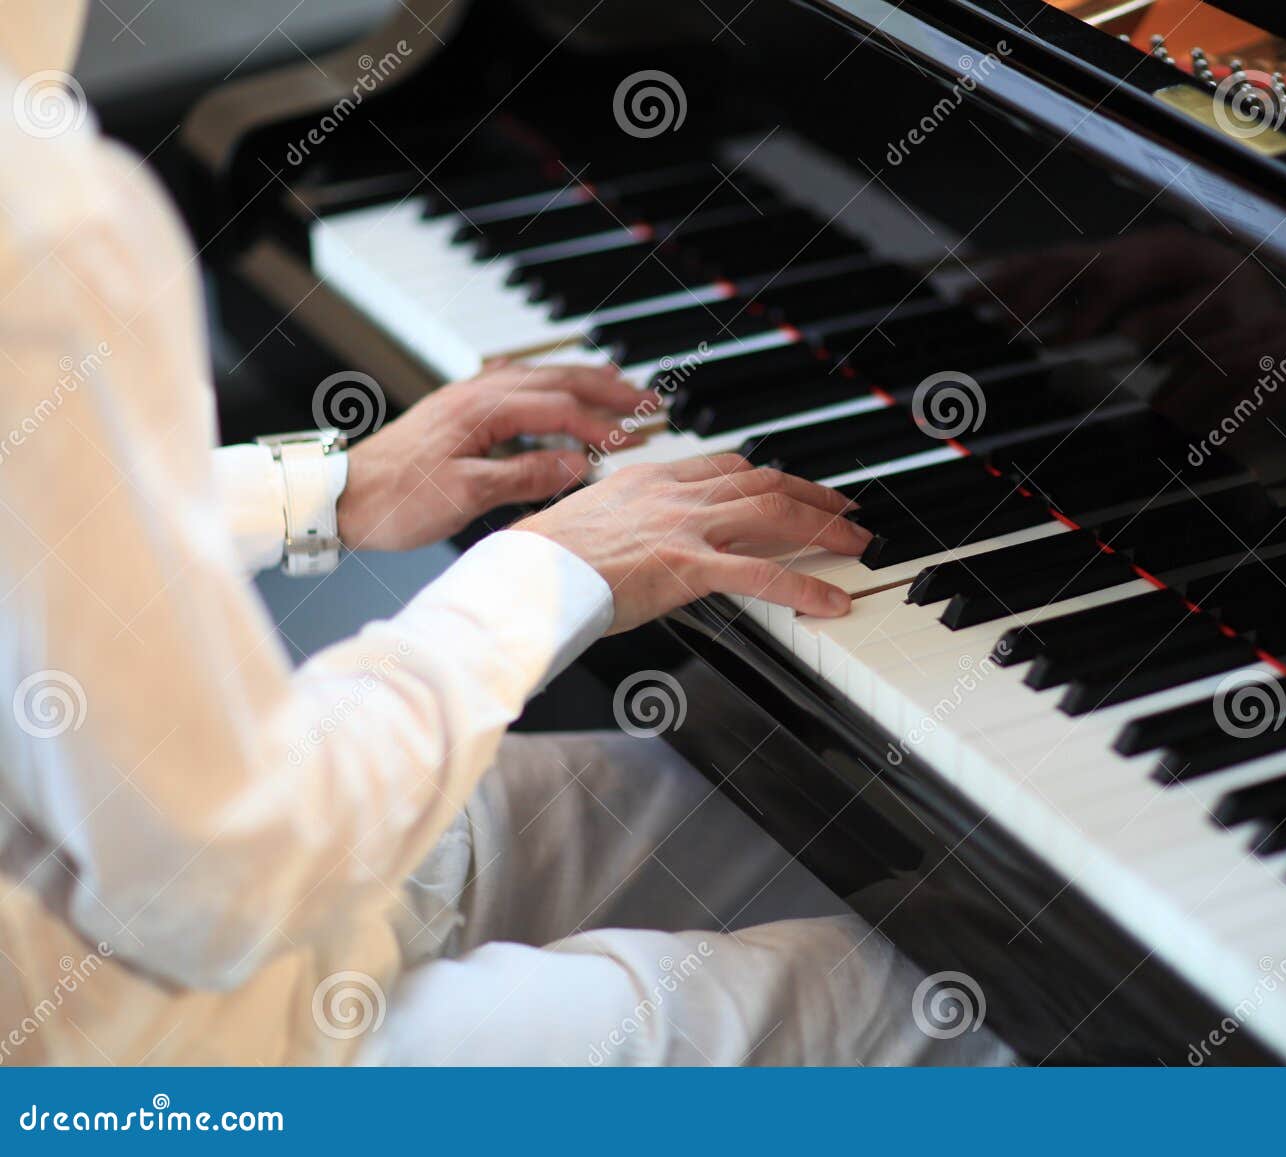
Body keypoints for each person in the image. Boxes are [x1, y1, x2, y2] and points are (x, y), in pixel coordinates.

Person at [0, 4, 1013, 1065]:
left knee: (782, 814)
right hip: (141, 1051)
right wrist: (546, 573)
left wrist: (322, 487)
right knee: (958, 998)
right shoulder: (43, 224)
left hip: (130, 911)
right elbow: (213, 885)